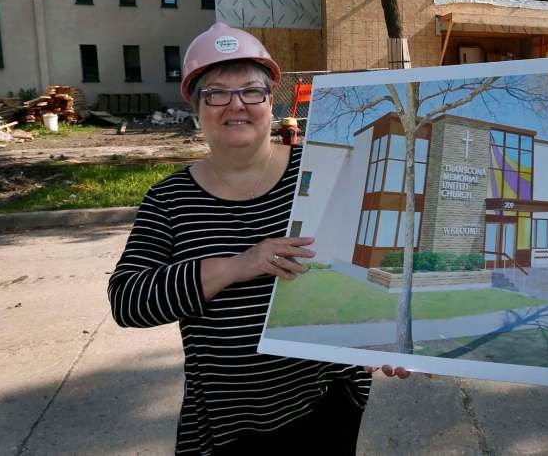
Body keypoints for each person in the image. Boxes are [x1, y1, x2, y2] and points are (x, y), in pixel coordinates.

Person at [109, 22, 408, 454]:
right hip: (228, 421)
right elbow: (128, 301)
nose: (236, 105)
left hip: (327, 405)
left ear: (271, 101)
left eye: (251, 90)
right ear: (197, 105)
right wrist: (237, 265)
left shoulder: (326, 170)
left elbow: (378, 259)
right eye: (216, 92)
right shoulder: (170, 199)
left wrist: (396, 341)